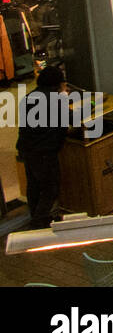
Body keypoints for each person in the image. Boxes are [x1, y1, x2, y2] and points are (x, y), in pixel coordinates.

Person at [16, 65, 68, 228]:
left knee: (34, 186)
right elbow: (70, 118)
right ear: (57, 83)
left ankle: (37, 216)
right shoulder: (55, 100)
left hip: (27, 149)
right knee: (50, 188)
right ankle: (39, 220)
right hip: (44, 152)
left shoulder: (30, 97)